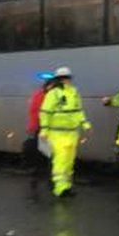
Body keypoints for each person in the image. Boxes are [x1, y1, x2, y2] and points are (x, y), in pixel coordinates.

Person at [39, 67, 91, 198]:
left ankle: (67, 186)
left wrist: (85, 124)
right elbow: (45, 112)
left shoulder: (74, 92)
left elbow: (78, 110)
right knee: (60, 161)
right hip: (57, 134)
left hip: (72, 133)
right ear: (58, 80)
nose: (65, 80)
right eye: (63, 78)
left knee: (69, 162)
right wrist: (44, 130)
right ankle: (60, 188)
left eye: (67, 78)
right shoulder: (53, 94)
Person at [23, 77, 55, 171]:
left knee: (44, 148)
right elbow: (39, 113)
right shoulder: (41, 96)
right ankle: (41, 168)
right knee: (45, 149)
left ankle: (39, 167)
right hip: (41, 126)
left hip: (41, 126)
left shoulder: (41, 94)